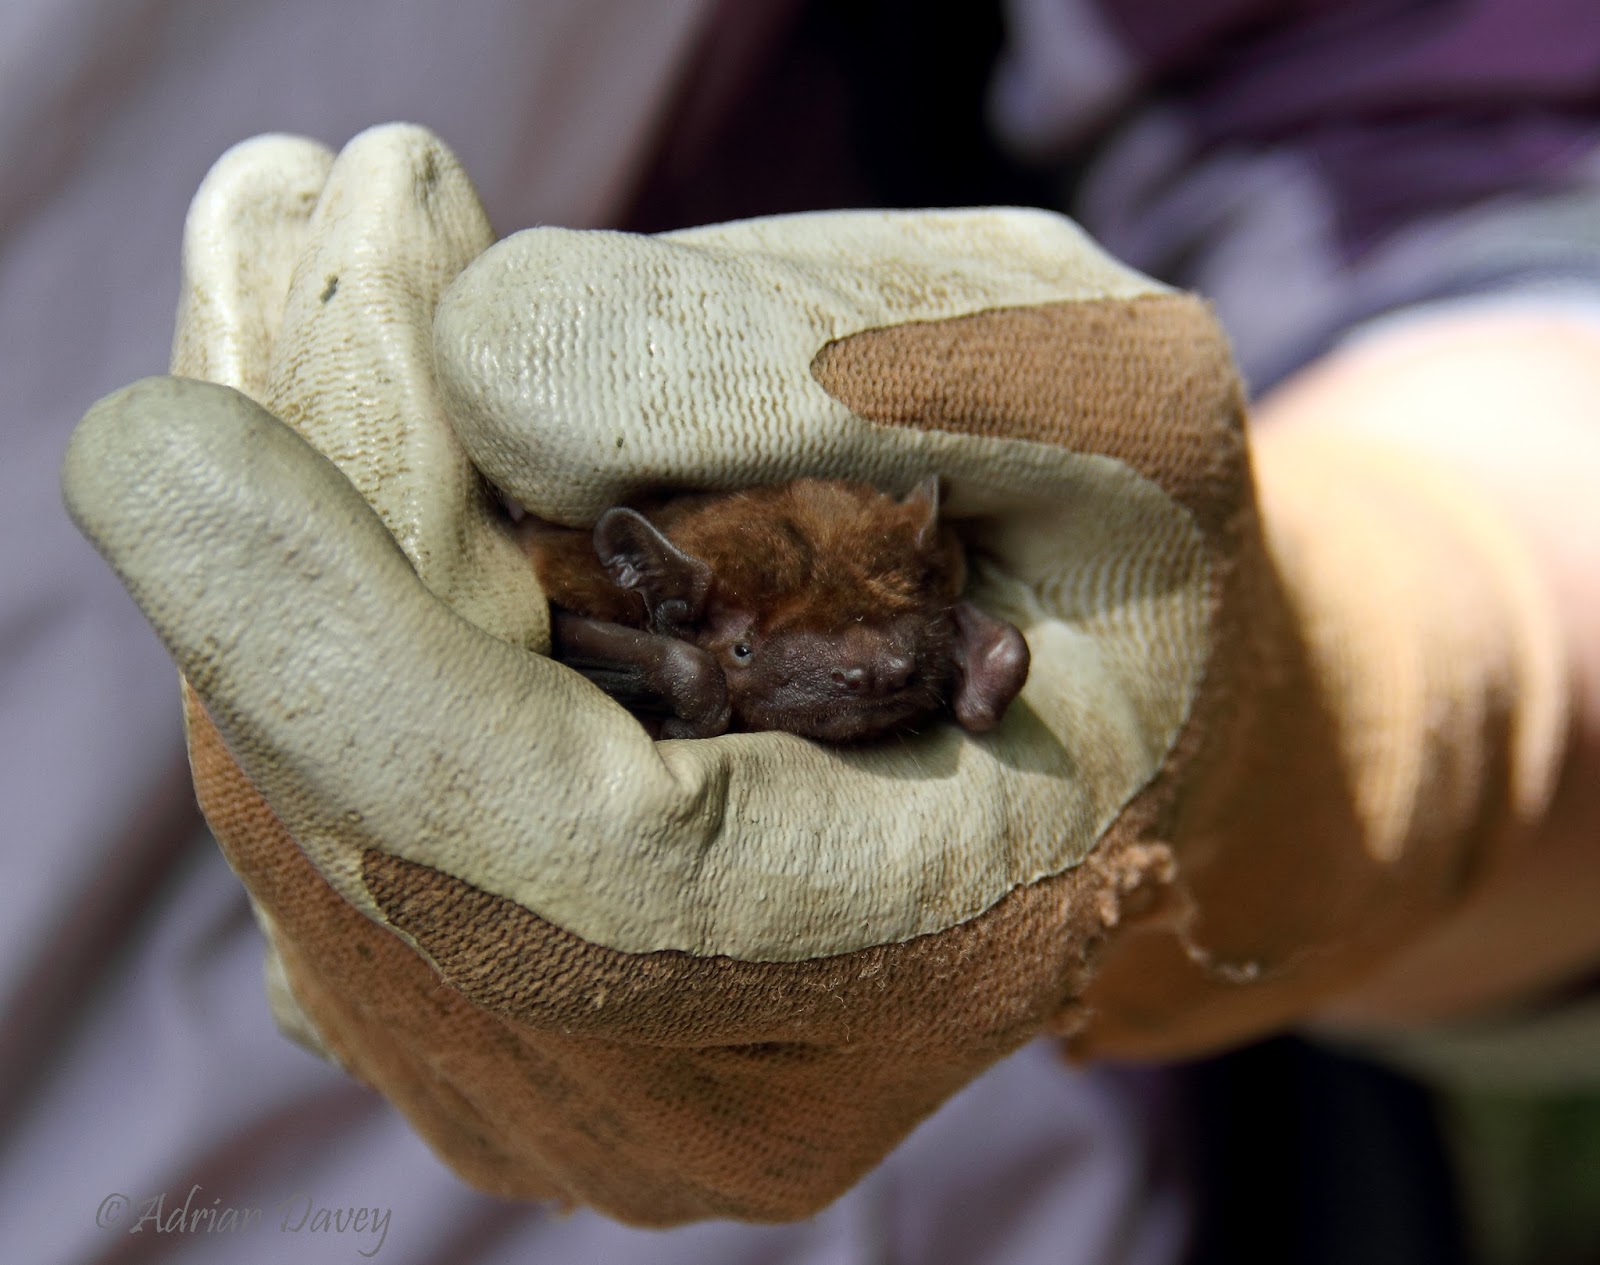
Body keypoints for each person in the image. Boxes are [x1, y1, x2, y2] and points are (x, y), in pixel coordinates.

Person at [5, 2, 1598, 1262]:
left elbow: (1430, 127)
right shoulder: (676, 640)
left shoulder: (896, 614)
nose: (873, 684)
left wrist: (1382, 673)